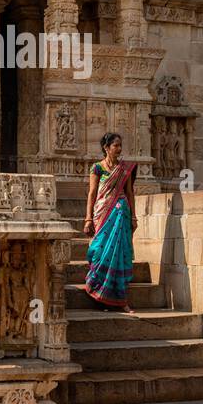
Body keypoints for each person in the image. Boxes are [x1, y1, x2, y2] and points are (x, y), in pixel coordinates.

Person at [81, 132, 138, 312]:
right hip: (102, 213)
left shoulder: (124, 169)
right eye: (116, 145)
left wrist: (134, 216)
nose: (119, 149)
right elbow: (92, 194)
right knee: (99, 252)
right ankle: (101, 296)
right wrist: (88, 218)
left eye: (120, 145)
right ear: (106, 148)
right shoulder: (97, 168)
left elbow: (130, 193)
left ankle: (120, 300)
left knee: (119, 255)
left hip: (122, 215)